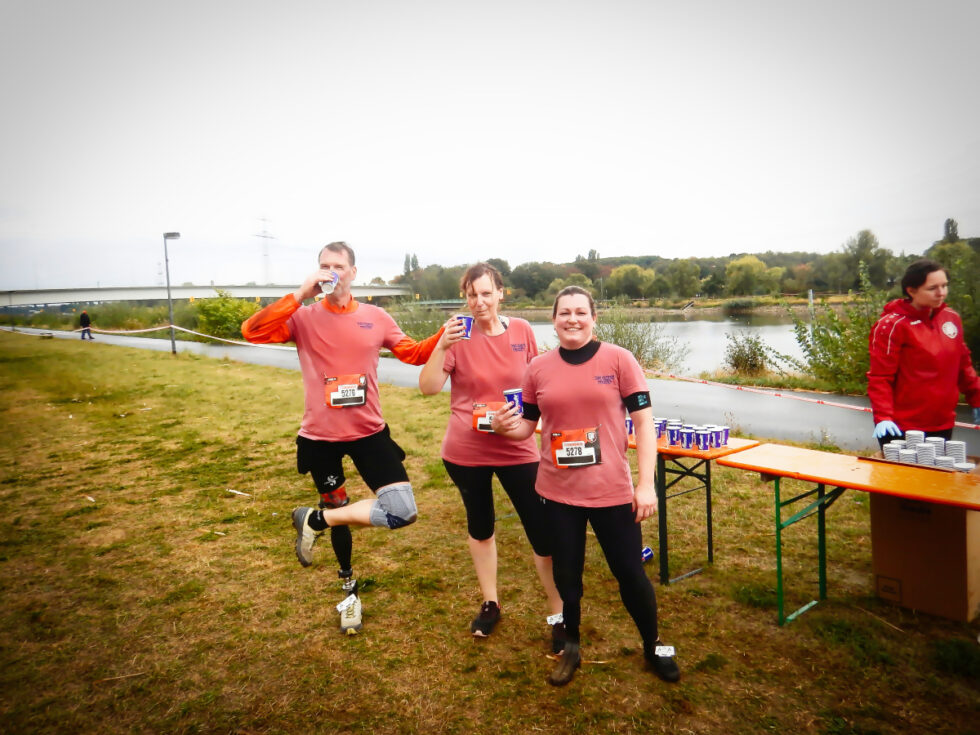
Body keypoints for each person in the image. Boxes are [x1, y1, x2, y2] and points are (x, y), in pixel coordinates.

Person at [241, 241, 443, 634]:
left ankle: (313, 521)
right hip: (321, 439)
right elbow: (252, 332)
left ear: (353, 272)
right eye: (323, 265)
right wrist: (300, 294)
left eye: (338, 265)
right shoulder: (303, 318)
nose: (330, 271)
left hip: (369, 433)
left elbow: (413, 354)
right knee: (340, 509)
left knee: (403, 511)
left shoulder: (376, 317)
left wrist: (445, 335)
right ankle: (349, 590)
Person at [490, 285, 680, 686]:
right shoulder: (538, 368)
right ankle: (571, 647)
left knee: (630, 573)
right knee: (568, 577)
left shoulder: (619, 360)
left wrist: (646, 485)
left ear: (594, 318)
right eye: (564, 313)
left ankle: (653, 644)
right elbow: (527, 426)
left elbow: (644, 423)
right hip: (558, 494)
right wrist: (505, 428)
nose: (572, 319)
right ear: (553, 319)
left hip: (611, 491)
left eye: (580, 312)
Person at [418, 263, 563, 647]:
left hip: (517, 447)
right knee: (481, 528)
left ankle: (558, 613)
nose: (478, 302)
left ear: (501, 293)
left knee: (542, 533)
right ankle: (490, 603)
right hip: (466, 452)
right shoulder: (457, 335)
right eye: (471, 295)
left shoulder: (522, 331)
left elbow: (536, 383)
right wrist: (441, 346)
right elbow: (429, 387)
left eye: (486, 293)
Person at [868, 258, 980, 449]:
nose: (941, 292)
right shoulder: (892, 325)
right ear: (911, 290)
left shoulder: (951, 319)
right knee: (904, 479)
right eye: (932, 288)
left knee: (938, 478)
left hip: (942, 423)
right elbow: (880, 378)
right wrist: (884, 417)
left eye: (944, 285)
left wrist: (977, 397)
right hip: (901, 427)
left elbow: (963, 366)